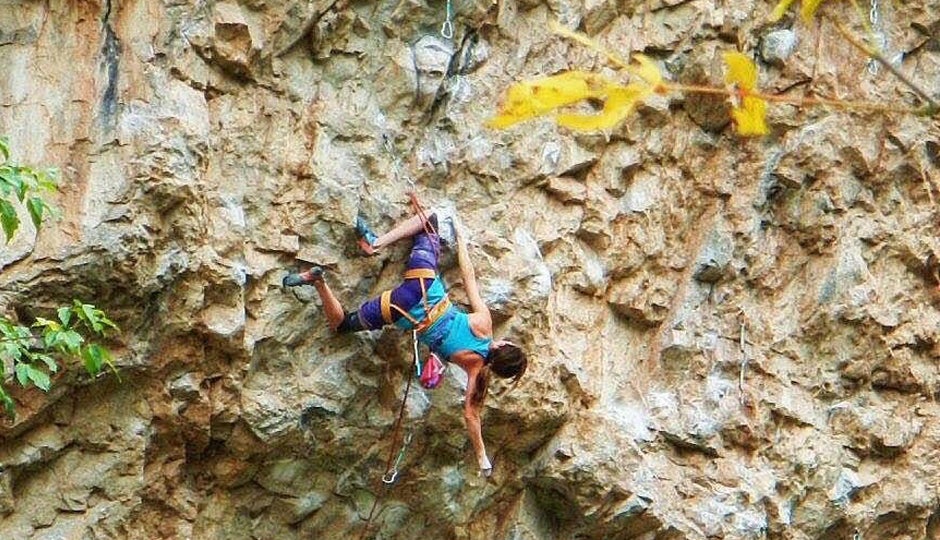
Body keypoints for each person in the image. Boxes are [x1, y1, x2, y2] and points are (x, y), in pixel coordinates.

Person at [283, 209, 528, 476]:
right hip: (399, 309)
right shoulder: (474, 371)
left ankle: (376, 242)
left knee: (430, 222)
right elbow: (472, 416)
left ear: (503, 347)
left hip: (421, 284)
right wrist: (482, 457)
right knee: (344, 324)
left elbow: (469, 277)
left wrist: (462, 238)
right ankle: (318, 282)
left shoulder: (484, 324)